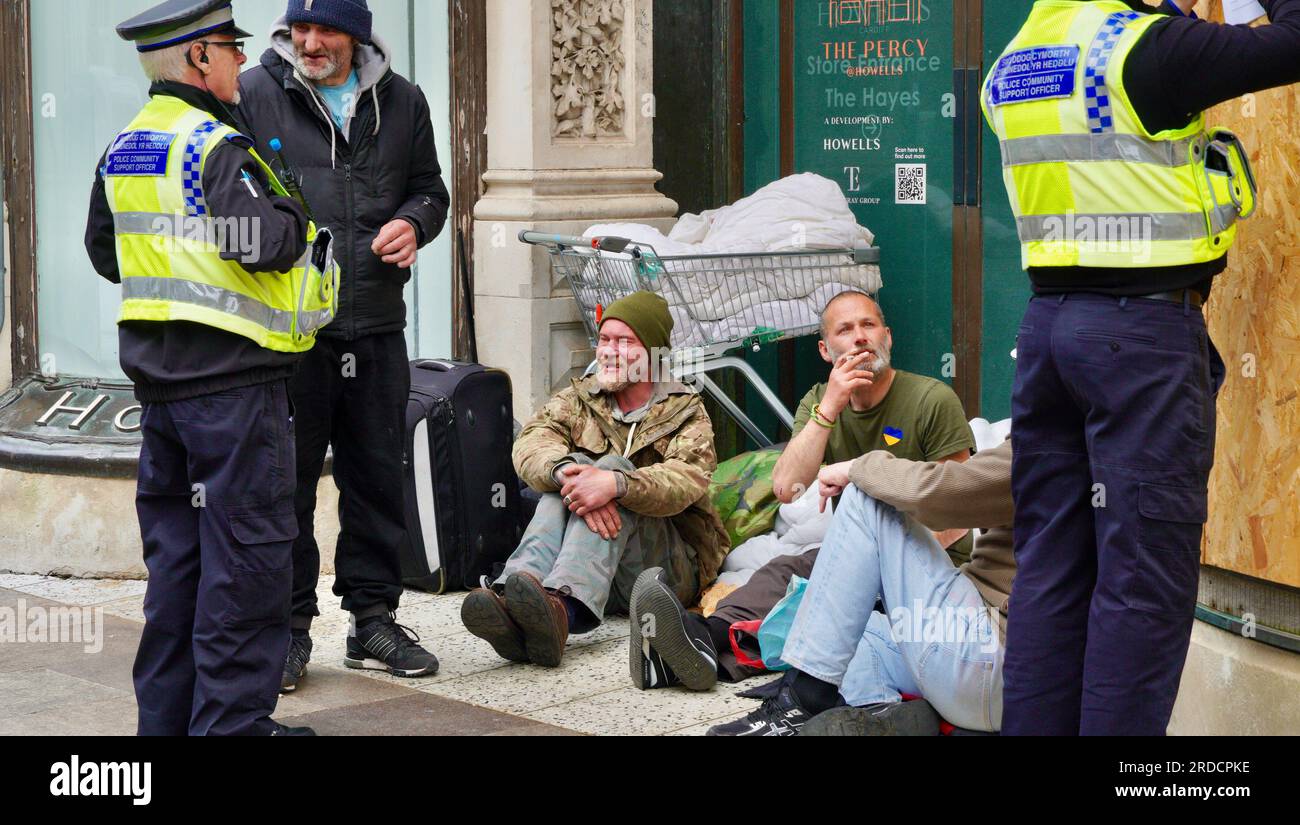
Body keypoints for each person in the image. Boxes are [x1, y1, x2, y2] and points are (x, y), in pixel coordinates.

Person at [982, 0, 1300, 734]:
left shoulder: (1014, 61)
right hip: (1140, 341)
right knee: (1141, 588)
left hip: (1049, 333)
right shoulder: (1145, 51)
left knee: (1051, 576)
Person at [84, 0, 339, 735]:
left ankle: (165, 725)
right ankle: (230, 727)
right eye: (229, 47)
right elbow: (263, 241)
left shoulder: (125, 145)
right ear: (198, 58)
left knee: (179, 573)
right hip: (234, 394)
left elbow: (108, 252)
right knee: (248, 567)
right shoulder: (213, 145)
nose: (238, 61)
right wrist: (292, 215)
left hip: (164, 398)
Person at [236, 0, 451, 691]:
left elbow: (432, 189)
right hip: (289, 336)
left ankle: (373, 620)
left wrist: (415, 223)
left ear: (356, 34)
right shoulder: (253, 93)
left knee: (376, 478)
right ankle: (289, 631)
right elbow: (226, 199)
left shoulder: (403, 100)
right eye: (300, 27)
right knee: (287, 489)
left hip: (377, 325)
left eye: (324, 28)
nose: (309, 41)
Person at [630, 289, 976, 690]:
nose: (860, 337)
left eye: (869, 325)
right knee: (783, 573)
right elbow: (786, 489)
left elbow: (961, 512)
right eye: (845, 330)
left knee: (824, 602)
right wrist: (830, 407)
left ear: (888, 337)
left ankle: (691, 654)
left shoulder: (932, 400)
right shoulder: (819, 400)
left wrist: (886, 568)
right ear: (826, 351)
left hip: (930, 561)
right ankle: (700, 639)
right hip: (860, 550)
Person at [460, 292, 729, 668]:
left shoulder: (686, 410)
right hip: (599, 574)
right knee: (569, 478)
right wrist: (565, 473)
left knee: (611, 468)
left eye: (624, 342)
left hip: (661, 574)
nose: (608, 351)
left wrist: (616, 484)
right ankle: (517, 601)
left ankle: (561, 611)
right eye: (604, 340)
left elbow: (686, 479)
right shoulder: (581, 397)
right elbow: (532, 440)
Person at [701, 437, 1015, 736]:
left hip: (994, 659)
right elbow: (787, 489)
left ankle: (802, 699)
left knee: (866, 499)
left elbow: (947, 493)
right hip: (992, 672)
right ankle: (878, 712)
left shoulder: (1049, 441)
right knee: (848, 629)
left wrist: (858, 468)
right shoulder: (1048, 436)